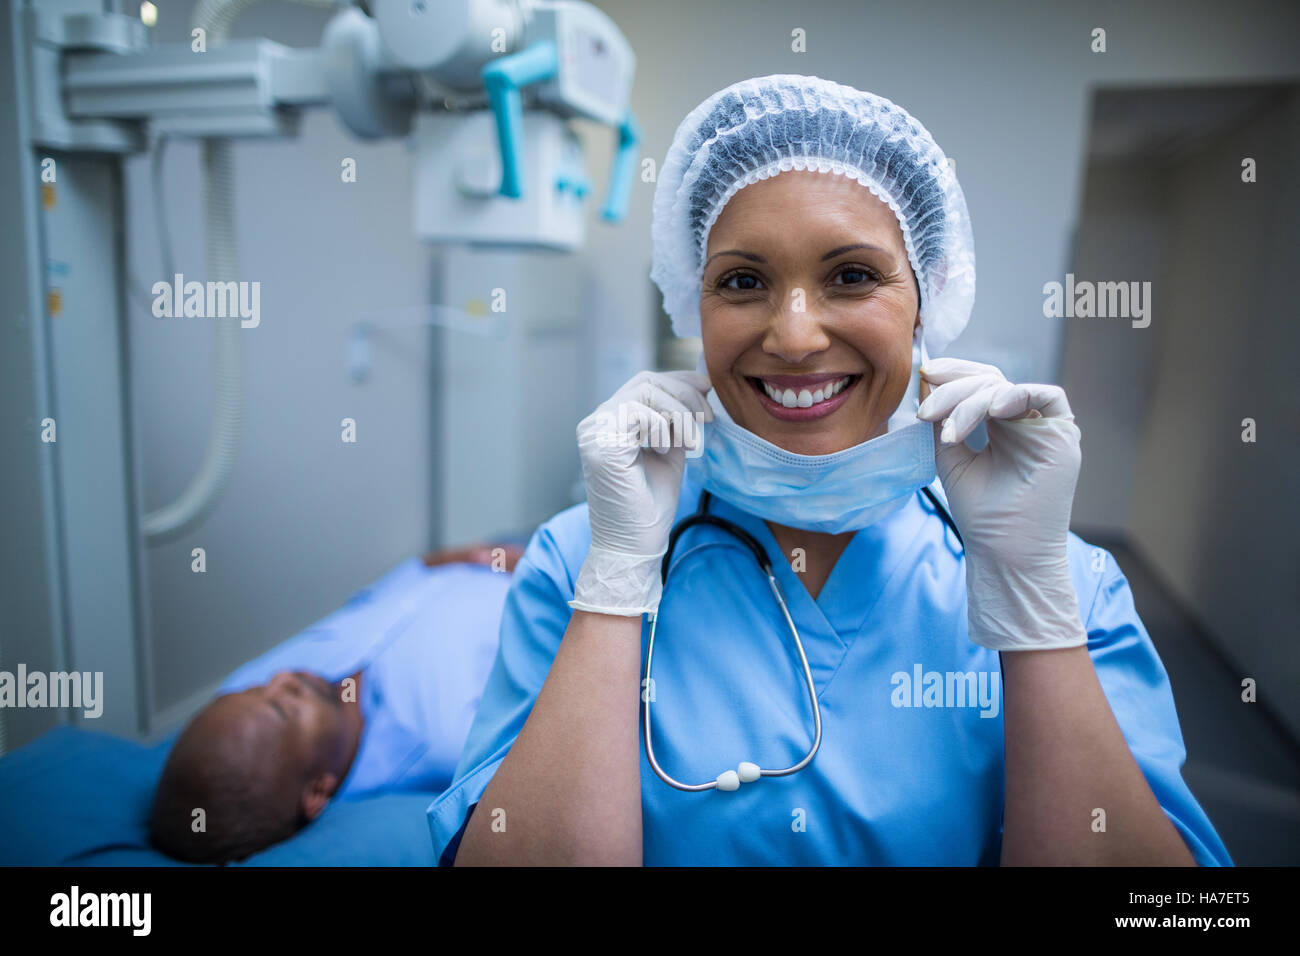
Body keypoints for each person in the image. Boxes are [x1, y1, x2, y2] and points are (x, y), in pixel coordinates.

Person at [427, 75, 1232, 866]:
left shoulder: (1067, 584)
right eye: (743, 282)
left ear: (928, 299)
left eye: (852, 275)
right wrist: (617, 582)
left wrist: (1029, 598)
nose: (795, 336)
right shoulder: (578, 561)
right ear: (692, 304)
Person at [149, 544, 521, 864]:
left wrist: (463, 555)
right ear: (316, 792)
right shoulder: (447, 740)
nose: (281, 679)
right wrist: (530, 565)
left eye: (258, 689)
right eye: (285, 707)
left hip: (470, 558)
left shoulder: (244, 694)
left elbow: (378, 600)